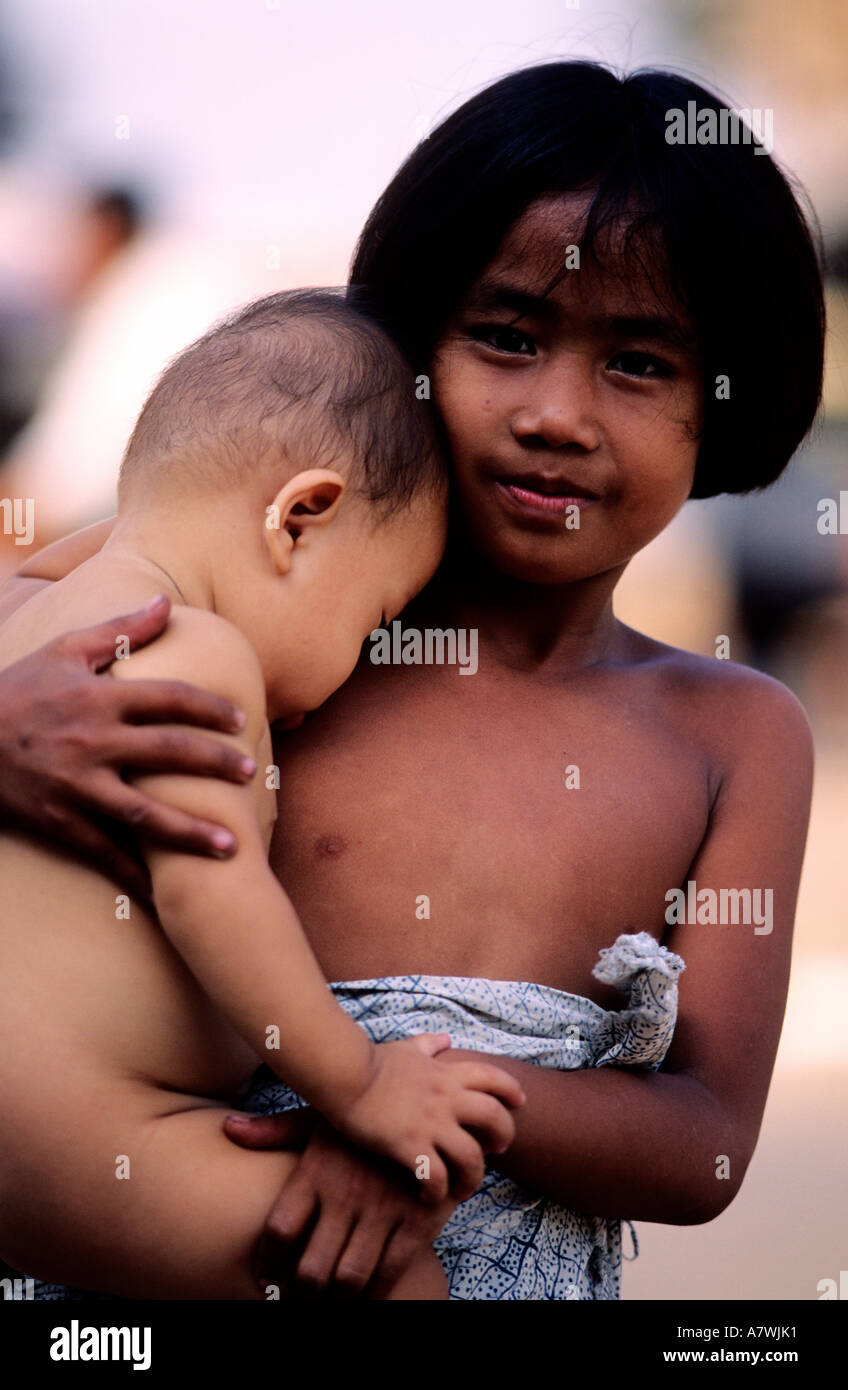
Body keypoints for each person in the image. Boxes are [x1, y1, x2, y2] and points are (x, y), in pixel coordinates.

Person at [0, 61, 824, 1301]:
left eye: (641, 364)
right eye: (504, 336)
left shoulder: (731, 730)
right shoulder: (275, 642)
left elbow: (704, 1139)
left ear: (723, 402)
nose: (558, 412)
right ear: (409, 338)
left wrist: (429, 1119)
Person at [0, 288, 524, 1300]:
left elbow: (75, 550)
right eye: (373, 618)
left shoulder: (28, 627)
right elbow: (212, 895)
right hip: (99, 1141)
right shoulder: (190, 652)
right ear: (298, 519)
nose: (357, 662)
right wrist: (362, 1082)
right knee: (392, 1275)